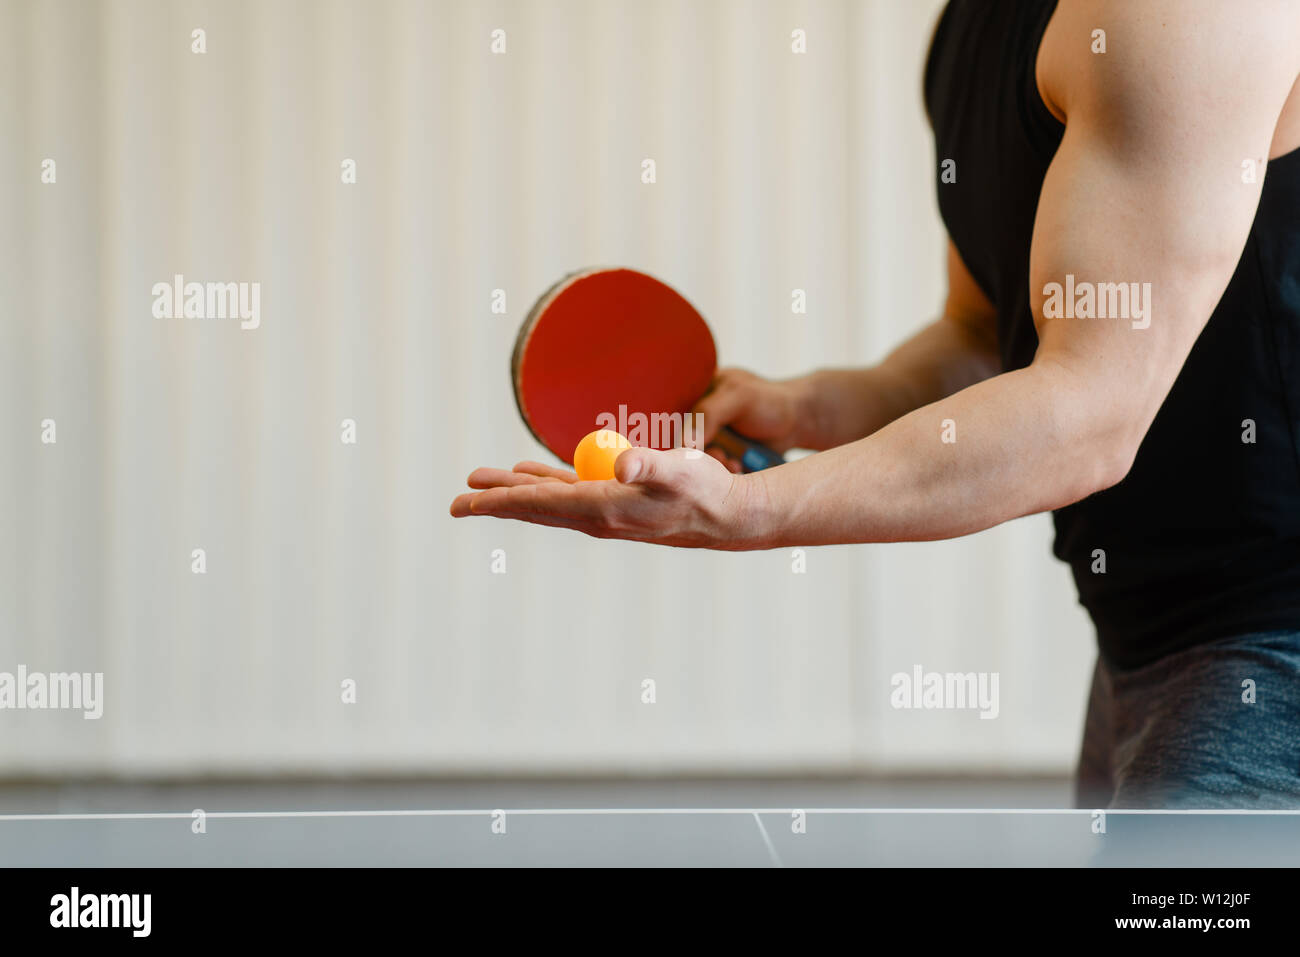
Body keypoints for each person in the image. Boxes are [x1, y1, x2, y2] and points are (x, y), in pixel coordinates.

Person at [452, 0, 1300, 809]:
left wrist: (743, 509)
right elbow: (979, 337)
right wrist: (802, 407)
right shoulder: (975, 31)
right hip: (1145, 641)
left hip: (1274, 647)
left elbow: (1089, 416)